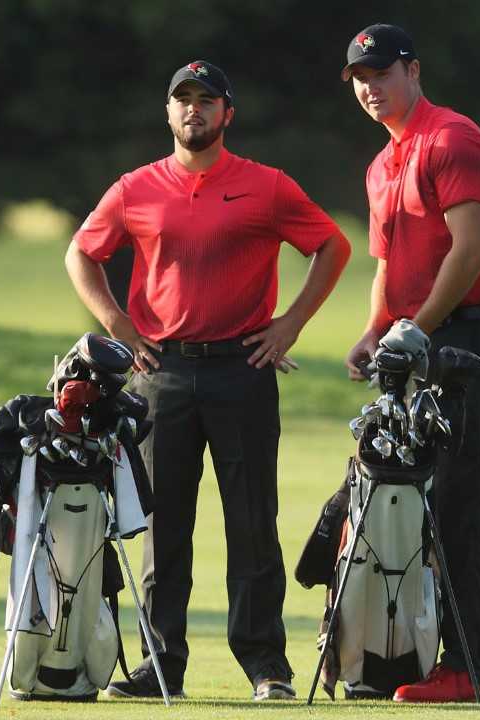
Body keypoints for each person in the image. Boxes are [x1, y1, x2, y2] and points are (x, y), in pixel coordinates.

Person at [65, 59, 351, 701]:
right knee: (163, 527)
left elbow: (332, 246)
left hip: (241, 369)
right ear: (168, 113)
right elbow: (82, 252)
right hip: (158, 372)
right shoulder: (136, 187)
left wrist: (291, 324)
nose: (193, 110)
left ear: (227, 114)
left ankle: (266, 665)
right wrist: (116, 322)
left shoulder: (266, 186)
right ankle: (161, 665)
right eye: (182, 100)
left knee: (252, 521)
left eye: (206, 100)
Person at [340, 24, 480, 703]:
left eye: (381, 73)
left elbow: (468, 251)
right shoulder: (382, 164)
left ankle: (474, 672)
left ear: (413, 71)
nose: (369, 87)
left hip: (467, 341)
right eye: (359, 78)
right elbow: (388, 261)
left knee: (459, 505)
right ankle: (425, 657)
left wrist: (414, 327)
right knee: (411, 506)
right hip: (415, 344)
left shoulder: (453, 140)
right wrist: (375, 328)